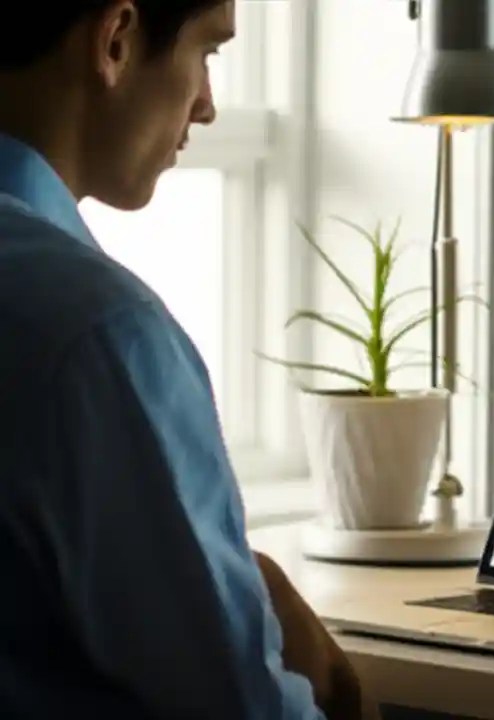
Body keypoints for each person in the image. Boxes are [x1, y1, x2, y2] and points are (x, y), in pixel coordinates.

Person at [0, 2, 365, 717]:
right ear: (116, 40)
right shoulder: (100, 333)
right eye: (207, 52)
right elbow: (238, 708)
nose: (206, 105)